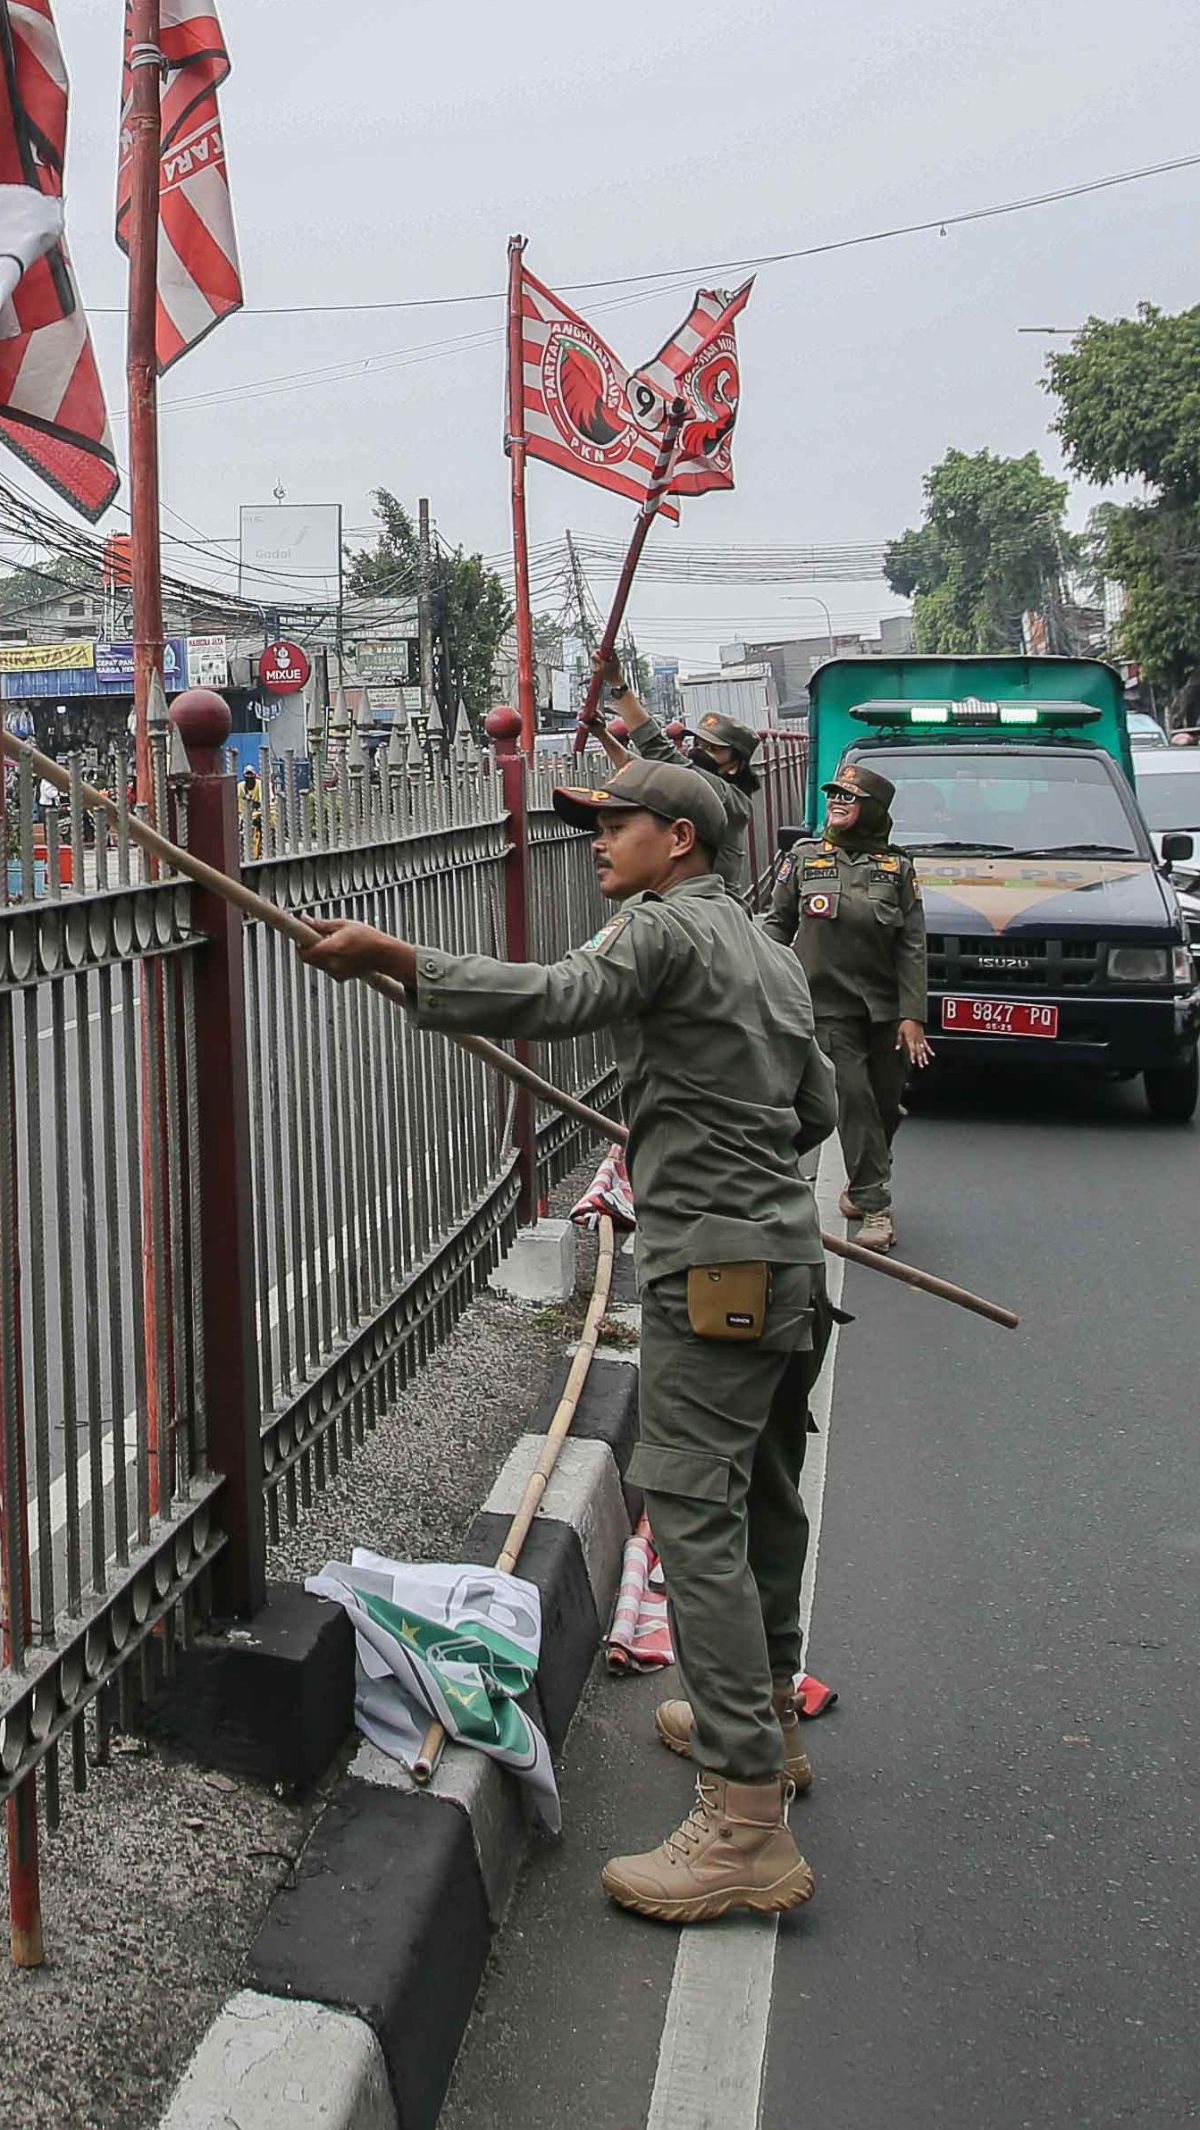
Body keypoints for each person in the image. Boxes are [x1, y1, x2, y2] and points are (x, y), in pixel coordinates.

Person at [299, 755, 839, 1925]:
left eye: (616, 822)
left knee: (691, 1514)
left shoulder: (661, 929)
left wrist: (395, 958)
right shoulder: (767, 950)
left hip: (715, 1268)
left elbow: (553, 997)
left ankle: (746, 1824)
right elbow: (817, 1112)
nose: (597, 840)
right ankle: (767, 1721)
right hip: (788, 1258)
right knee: (764, 1497)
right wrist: (706, 1125)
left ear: (680, 840)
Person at [762, 759, 931, 1254]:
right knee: (853, 1100)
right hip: (826, 1005)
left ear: (873, 810)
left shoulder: (897, 869)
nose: (837, 803)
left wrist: (913, 1016)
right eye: (834, 795)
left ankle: (865, 1177)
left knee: (884, 1105)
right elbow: (778, 924)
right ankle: (875, 1203)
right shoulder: (805, 858)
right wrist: (759, 973)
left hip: (884, 1007)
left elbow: (912, 946)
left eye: (849, 798)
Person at [579, 649, 761, 892]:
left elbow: (659, 752)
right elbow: (639, 770)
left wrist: (618, 684)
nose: (701, 752)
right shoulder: (696, 789)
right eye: (699, 745)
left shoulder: (732, 800)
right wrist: (602, 734)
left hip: (710, 906)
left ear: (735, 765)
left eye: (713, 749)